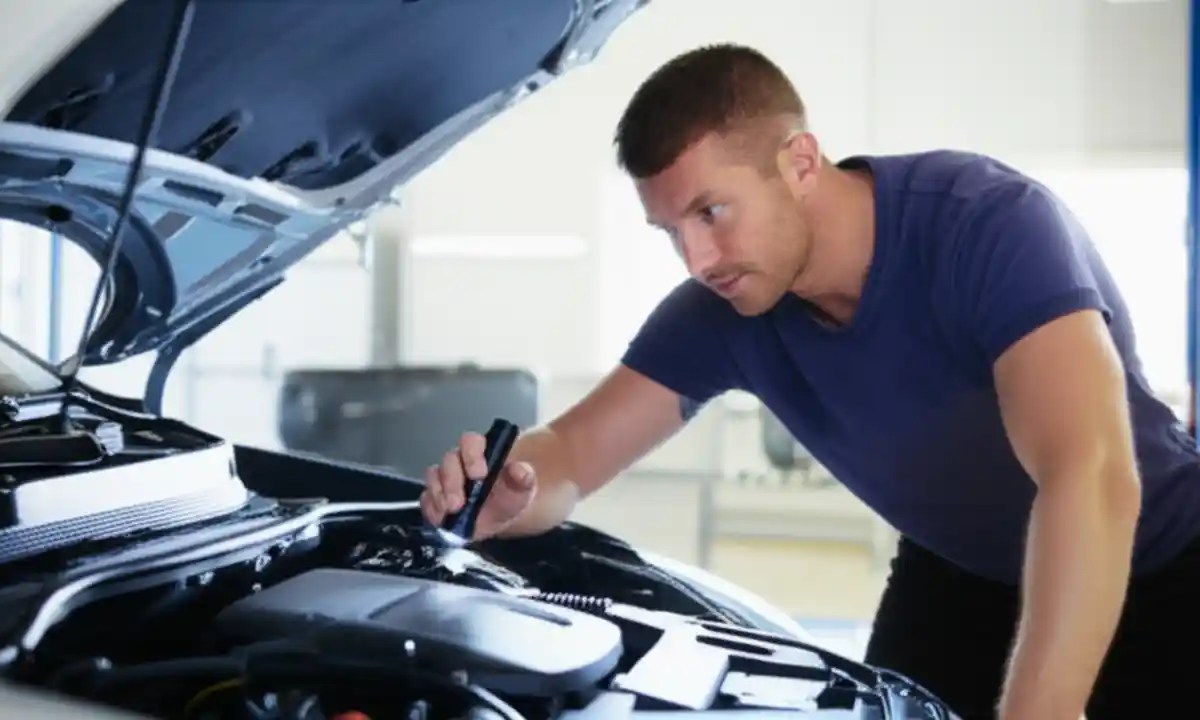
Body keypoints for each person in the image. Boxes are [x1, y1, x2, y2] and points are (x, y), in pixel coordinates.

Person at [418, 44, 1200, 719]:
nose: (698, 259)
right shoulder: (721, 308)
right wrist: (512, 490)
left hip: (1154, 560)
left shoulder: (987, 224)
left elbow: (1089, 475)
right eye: (671, 232)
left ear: (799, 162)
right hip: (956, 568)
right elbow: (573, 450)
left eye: (712, 212)